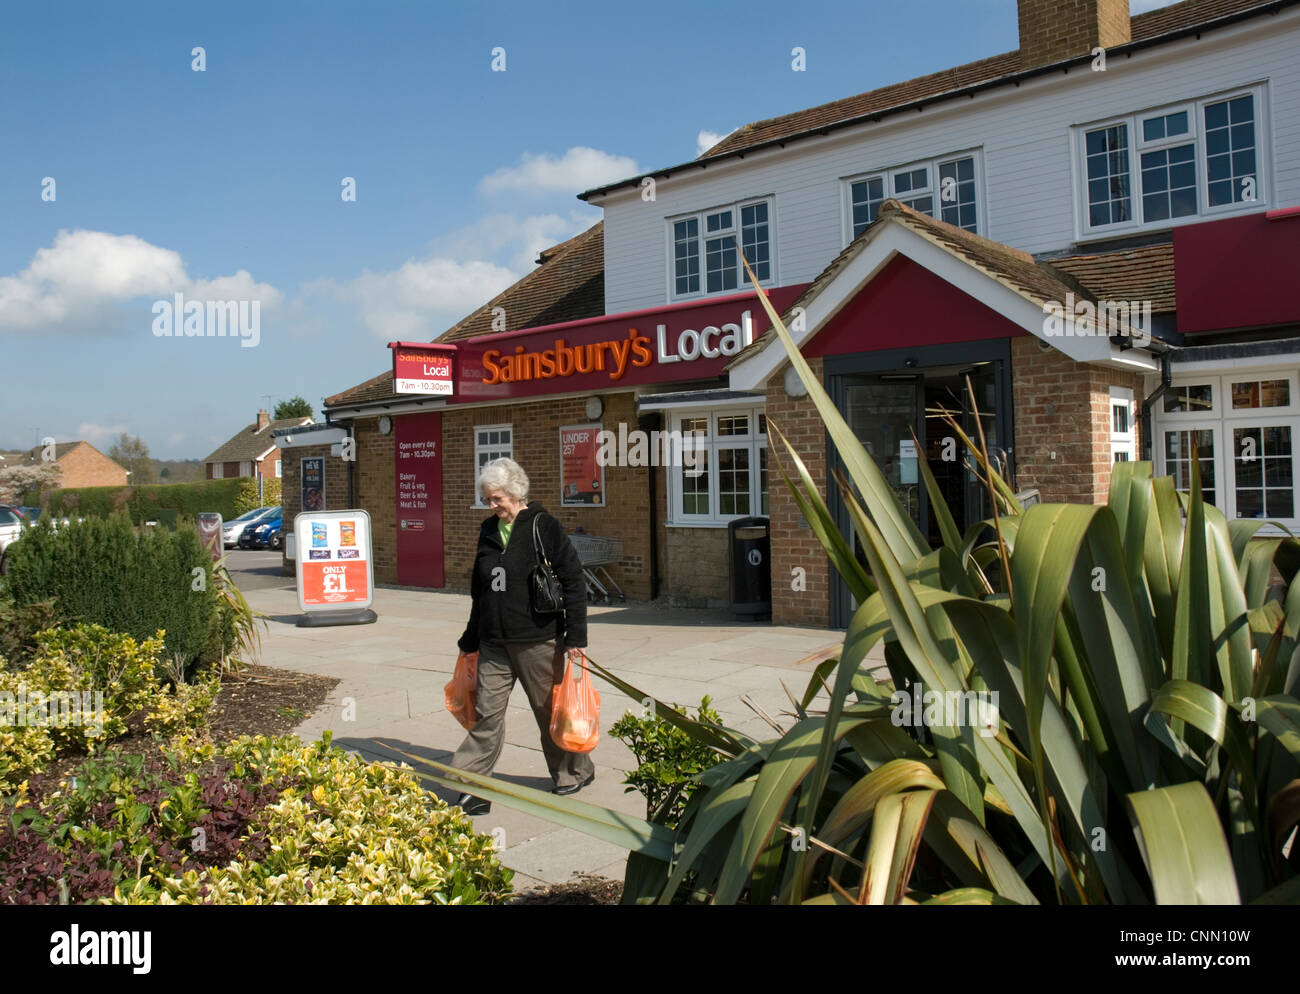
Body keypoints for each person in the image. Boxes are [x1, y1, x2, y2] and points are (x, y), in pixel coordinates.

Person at [451, 457, 595, 815]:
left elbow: (574, 581)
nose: (491, 506)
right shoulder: (488, 530)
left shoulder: (543, 526)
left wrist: (575, 637)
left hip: (538, 640)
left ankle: (573, 772)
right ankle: (471, 786)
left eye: (496, 498)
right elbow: (479, 591)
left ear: (515, 492)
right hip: (494, 643)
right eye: (487, 499)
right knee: (486, 715)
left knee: (549, 712)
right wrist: (470, 639)